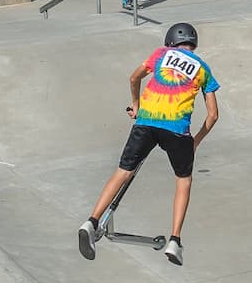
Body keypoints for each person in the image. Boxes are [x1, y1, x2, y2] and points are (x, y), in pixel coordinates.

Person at [77, 21, 219, 267]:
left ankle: (91, 221)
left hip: (146, 123)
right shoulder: (203, 69)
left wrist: (136, 103)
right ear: (192, 45)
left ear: (170, 42)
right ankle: (175, 240)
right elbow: (213, 115)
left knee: (122, 172)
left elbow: (134, 77)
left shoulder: (160, 54)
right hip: (177, 130)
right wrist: (195, 141)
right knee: (183, 181)